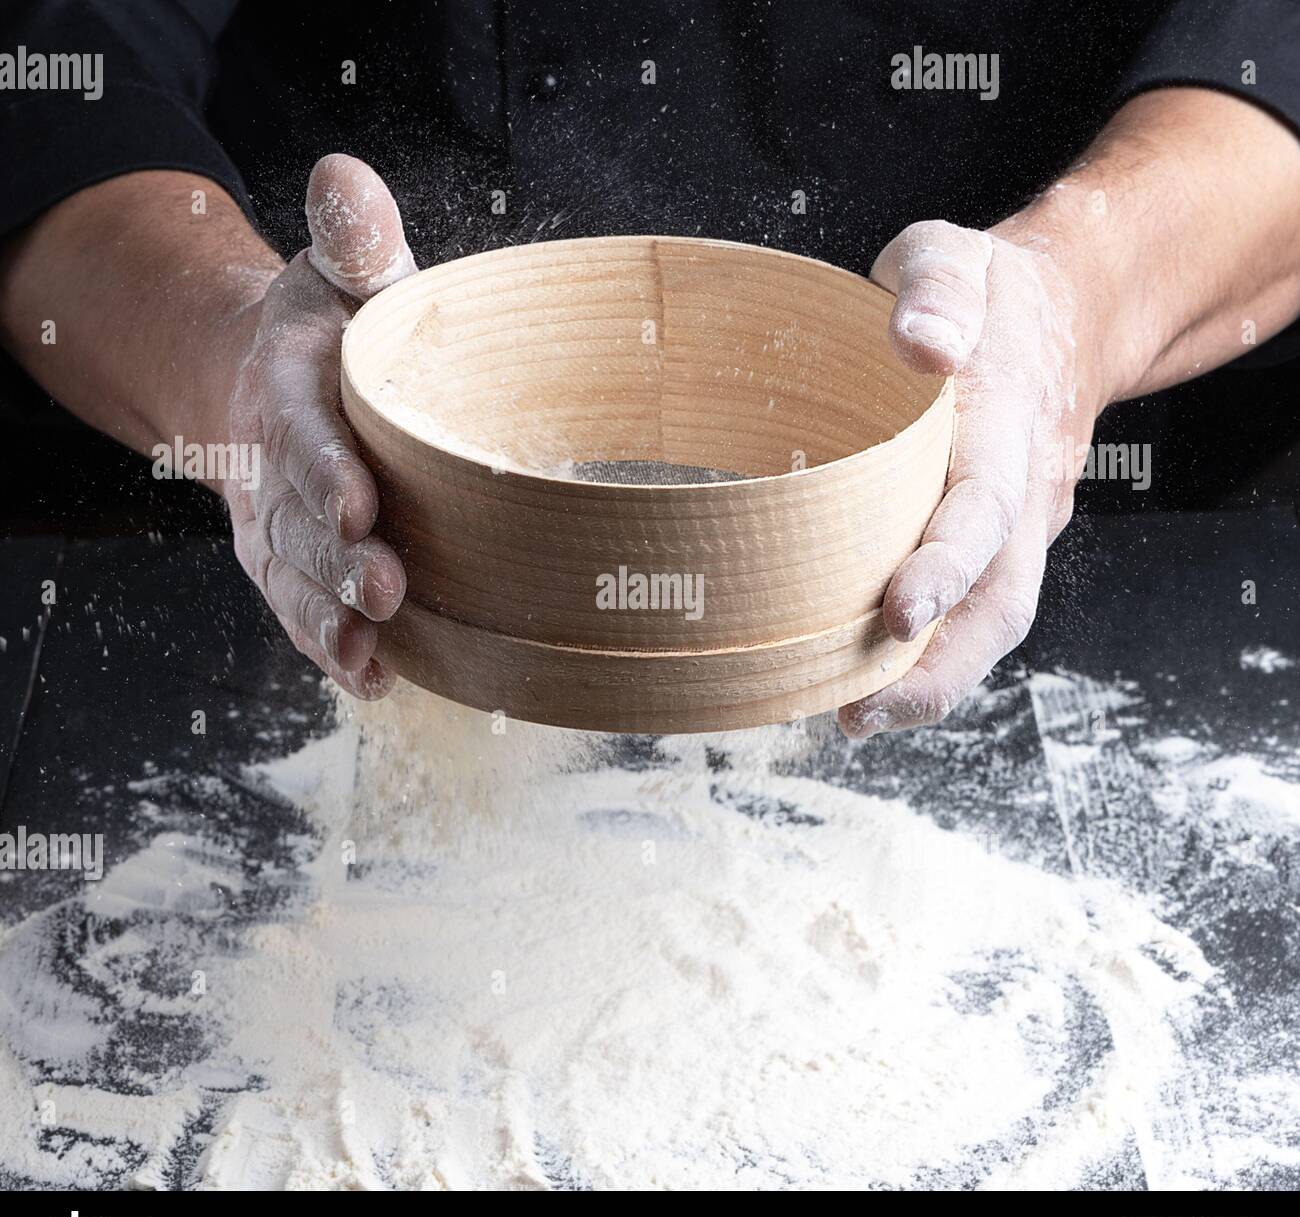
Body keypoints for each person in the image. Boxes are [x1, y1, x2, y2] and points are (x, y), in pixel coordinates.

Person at [2, 2, 1298, 735]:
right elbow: (50, 64)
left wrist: (1076, 299)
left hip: (1090, 569)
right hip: (286, 572)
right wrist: (225, 349)